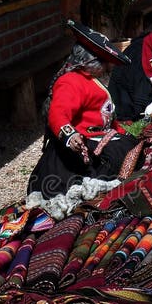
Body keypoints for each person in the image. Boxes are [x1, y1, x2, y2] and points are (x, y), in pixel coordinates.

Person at [27, 20, 138, 199]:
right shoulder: (70, 82)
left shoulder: (88, 79)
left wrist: (120, 130)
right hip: (82, 143)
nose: (106, 67)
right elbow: (58, 113)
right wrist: (70, 136)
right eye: (103, 62)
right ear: (91, 61)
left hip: (98, 135)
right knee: (119, 155)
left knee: (130, 145)